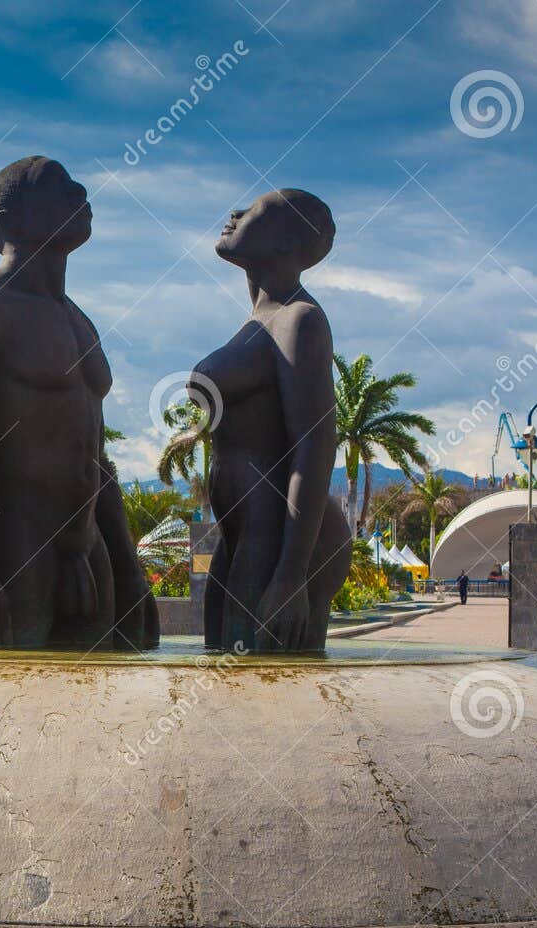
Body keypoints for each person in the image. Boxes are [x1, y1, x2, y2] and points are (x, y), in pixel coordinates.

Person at [0, 157, 157, 650]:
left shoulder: (79, 321)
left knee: (96, 703)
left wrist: (126, 561)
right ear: (11, 219)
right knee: (7, 704)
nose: (78, 191)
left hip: (85, 544)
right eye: (56, 186)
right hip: (17, 543)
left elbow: (98, 458)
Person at [188, 188, 352, 652]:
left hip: (282, 540)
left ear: (284, 243)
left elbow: (316, 443)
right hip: (244, 533)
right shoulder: (261, 322)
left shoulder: (300, 321)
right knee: (224, 674)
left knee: (261, 690)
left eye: (254, 211)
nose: (235, 213)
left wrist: (291, 575)